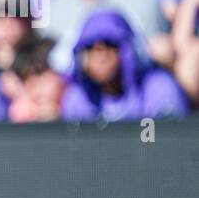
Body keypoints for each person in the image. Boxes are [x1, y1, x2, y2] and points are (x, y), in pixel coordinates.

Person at [59, 9, 188, 122]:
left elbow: (165, 144)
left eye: (110, 44)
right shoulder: (77, 99)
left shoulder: (159, 88)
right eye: (90, 47)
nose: (101, 55)